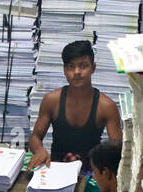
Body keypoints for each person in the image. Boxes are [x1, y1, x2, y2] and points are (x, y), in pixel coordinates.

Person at [29, 40, 122, 168]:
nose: (77, 72)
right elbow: (35, 136)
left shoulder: (106, 106)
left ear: (93, 68)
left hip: (92, 174)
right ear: (64, 69)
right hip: (56, 169)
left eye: (83, 66)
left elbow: (117, 148)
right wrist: (40, 150)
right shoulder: (51, 100)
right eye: (71, 66)